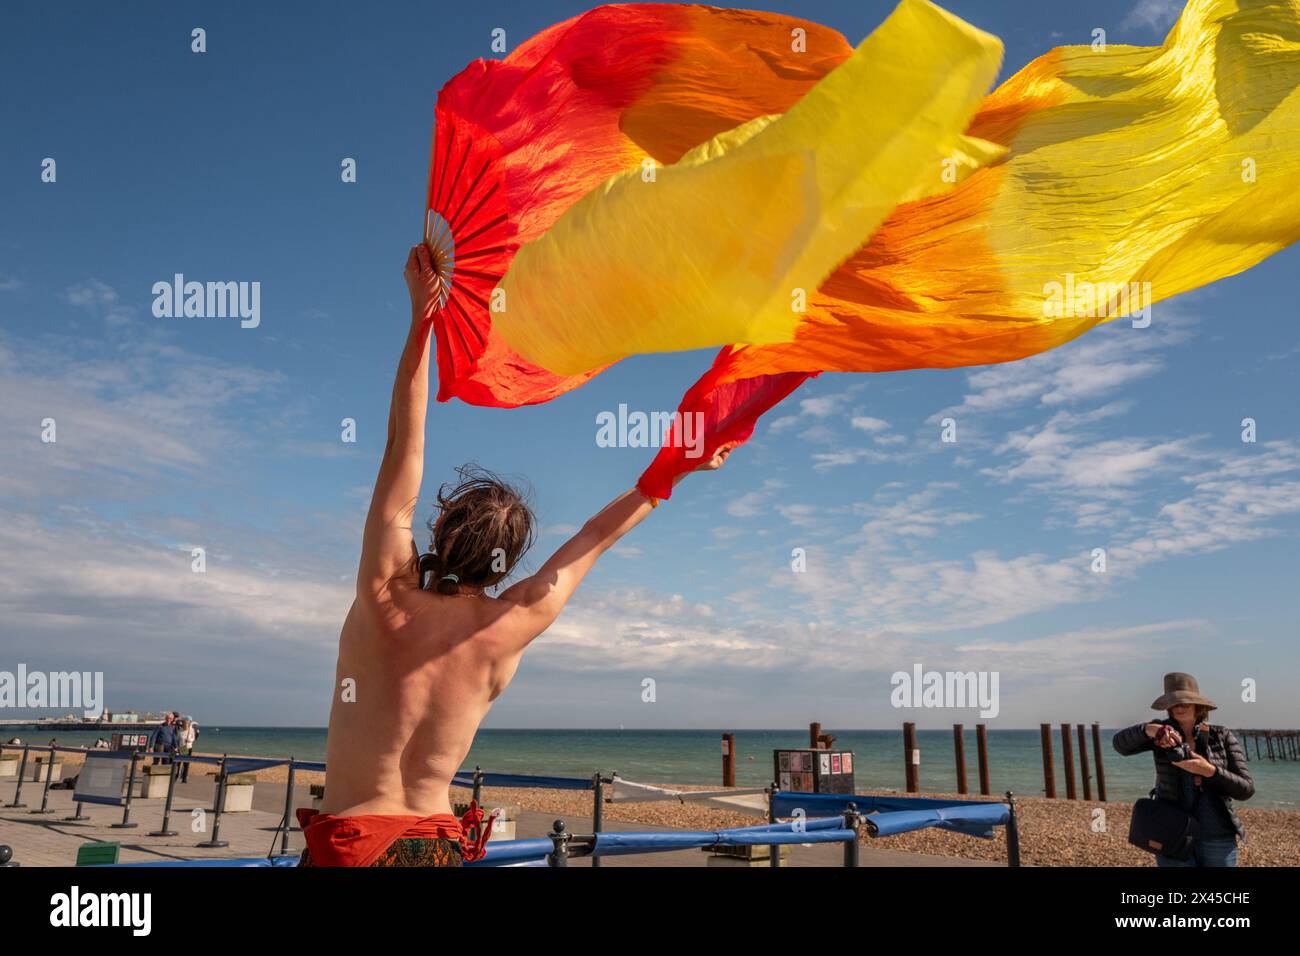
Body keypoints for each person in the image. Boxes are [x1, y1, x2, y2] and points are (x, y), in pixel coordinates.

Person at [298, 245, 736, 867]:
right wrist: (677, 469)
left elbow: (405, 443)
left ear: (443, 527)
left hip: (356, 845)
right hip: (439, 846)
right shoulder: (510, 626)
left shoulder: (384, 595)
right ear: (511, 558)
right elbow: (593, 537)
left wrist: (424, 316)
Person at [1113, 672, 1254, 867]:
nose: (1180, 707)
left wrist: (1210, 771)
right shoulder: (1161, 734)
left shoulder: (1221, 735)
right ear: (1168, 707)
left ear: (1198, 704)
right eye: (1174, 702)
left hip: (1217, 835)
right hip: (1171, 830)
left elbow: (1246, 789)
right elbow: (1120, 745)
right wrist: (1149, 730)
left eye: (1185, 701)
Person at [177, 718, 197, 783]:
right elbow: (178, 739)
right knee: (179, 763)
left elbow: (193, 738)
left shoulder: (191, 730)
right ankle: (176, 775)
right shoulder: (180, 730)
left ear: (188, 724)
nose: (185, 726)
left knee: (186, 764)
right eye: (184, 724)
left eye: (186, 724)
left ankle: (184, 778)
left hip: (188, 747)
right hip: (182, 747)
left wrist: (189, 740)